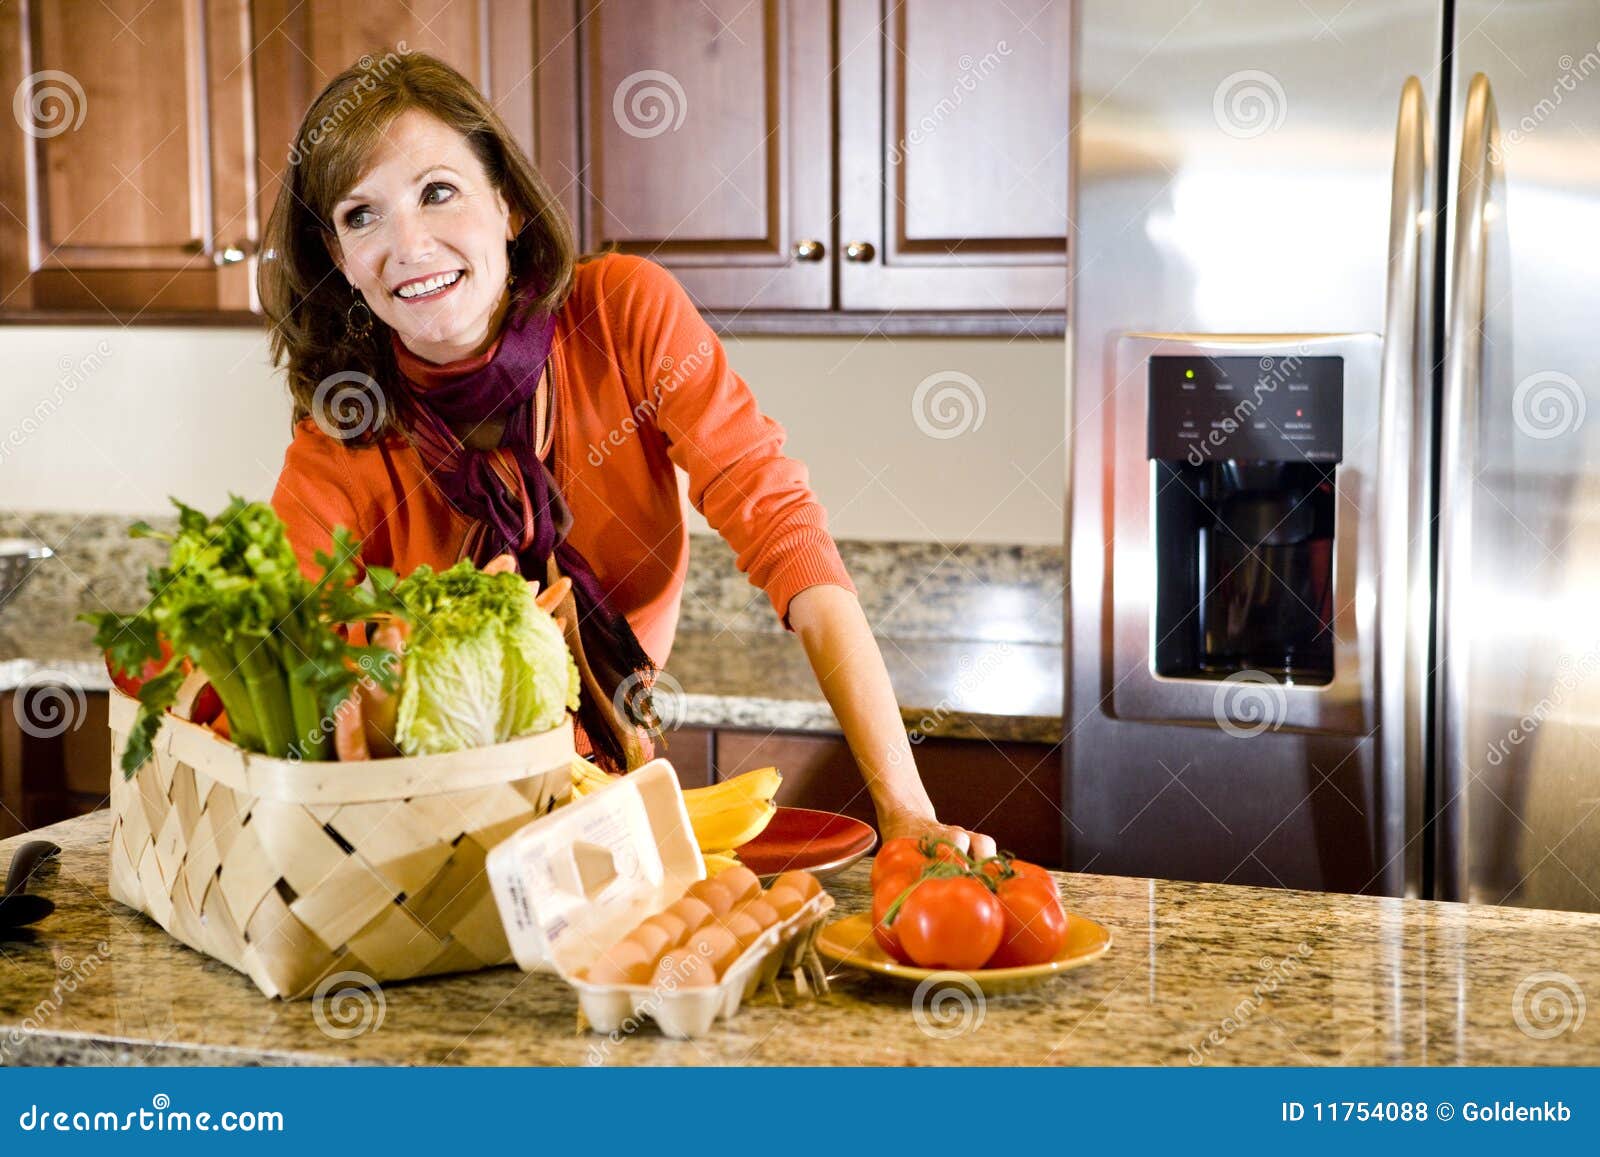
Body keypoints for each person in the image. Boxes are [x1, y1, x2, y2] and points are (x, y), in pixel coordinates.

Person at [260, 52, 995, 858]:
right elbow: (278, 647)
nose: (408, 243)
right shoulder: (349, 428)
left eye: (438, 191)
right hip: (438, 844)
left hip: (613, 793)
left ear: (505, 205)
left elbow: (786, 537)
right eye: (361, 214)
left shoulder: (623, 315)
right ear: (338, 256)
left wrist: (906, 809)